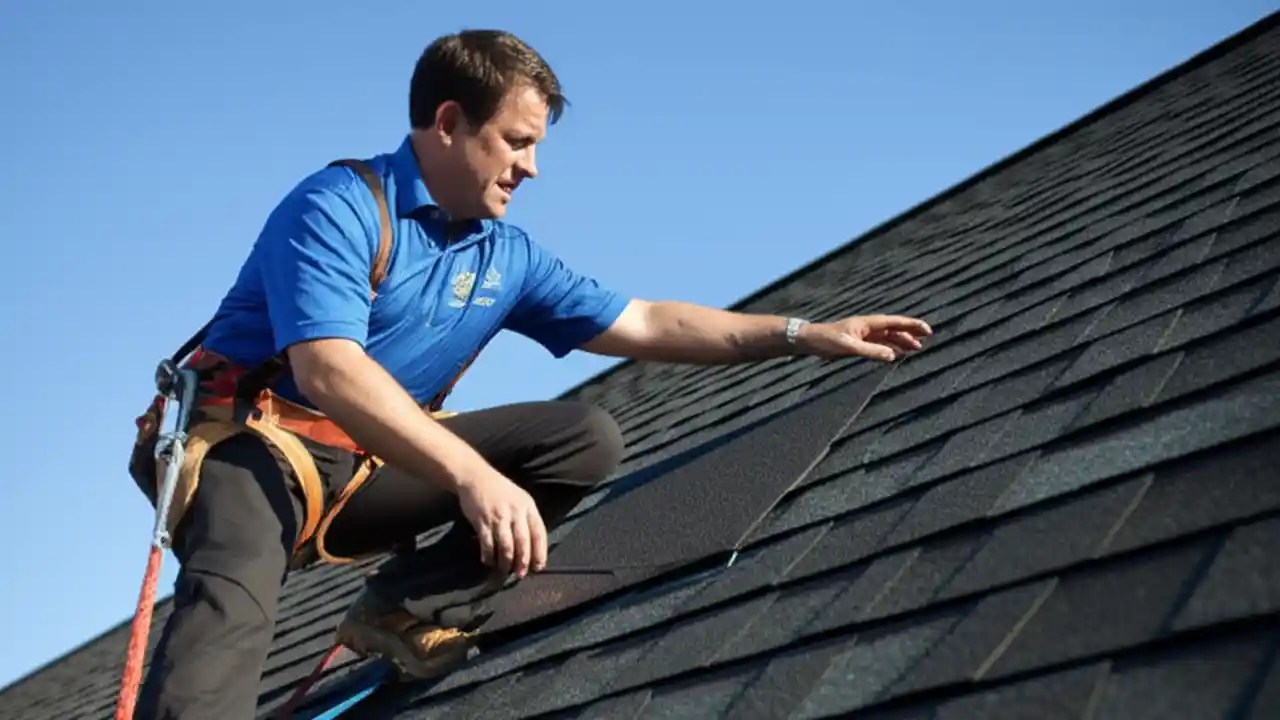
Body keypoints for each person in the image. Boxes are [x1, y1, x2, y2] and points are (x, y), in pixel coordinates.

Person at [127, 28, 932, 719]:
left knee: (581, 438)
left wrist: (806, 332)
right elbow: (331, 371)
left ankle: (404, 611)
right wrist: (473, 478)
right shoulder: (338, 207)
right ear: (448, 123)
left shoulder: (503, 257)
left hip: (376, 470)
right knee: (227, 609)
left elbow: (649, 321)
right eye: (517, 141)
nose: (533, 167)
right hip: (261, 448)